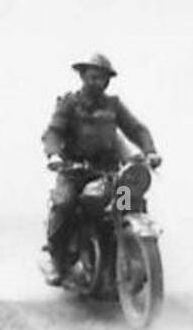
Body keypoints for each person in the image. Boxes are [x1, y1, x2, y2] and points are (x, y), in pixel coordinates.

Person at [39, 53, 160, 284]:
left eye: (102, 79)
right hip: (75, 172)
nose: (97, 82)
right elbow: (53, 131)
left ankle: (128, 252)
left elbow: (136, 129)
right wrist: (54, 155)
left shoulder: (113, 105)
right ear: (83, 76)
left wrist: (149, 151)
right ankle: (58, 260)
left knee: (129, 204)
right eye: (93, 77)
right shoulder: (69, 104)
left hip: (110, 174)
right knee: (64, 204)